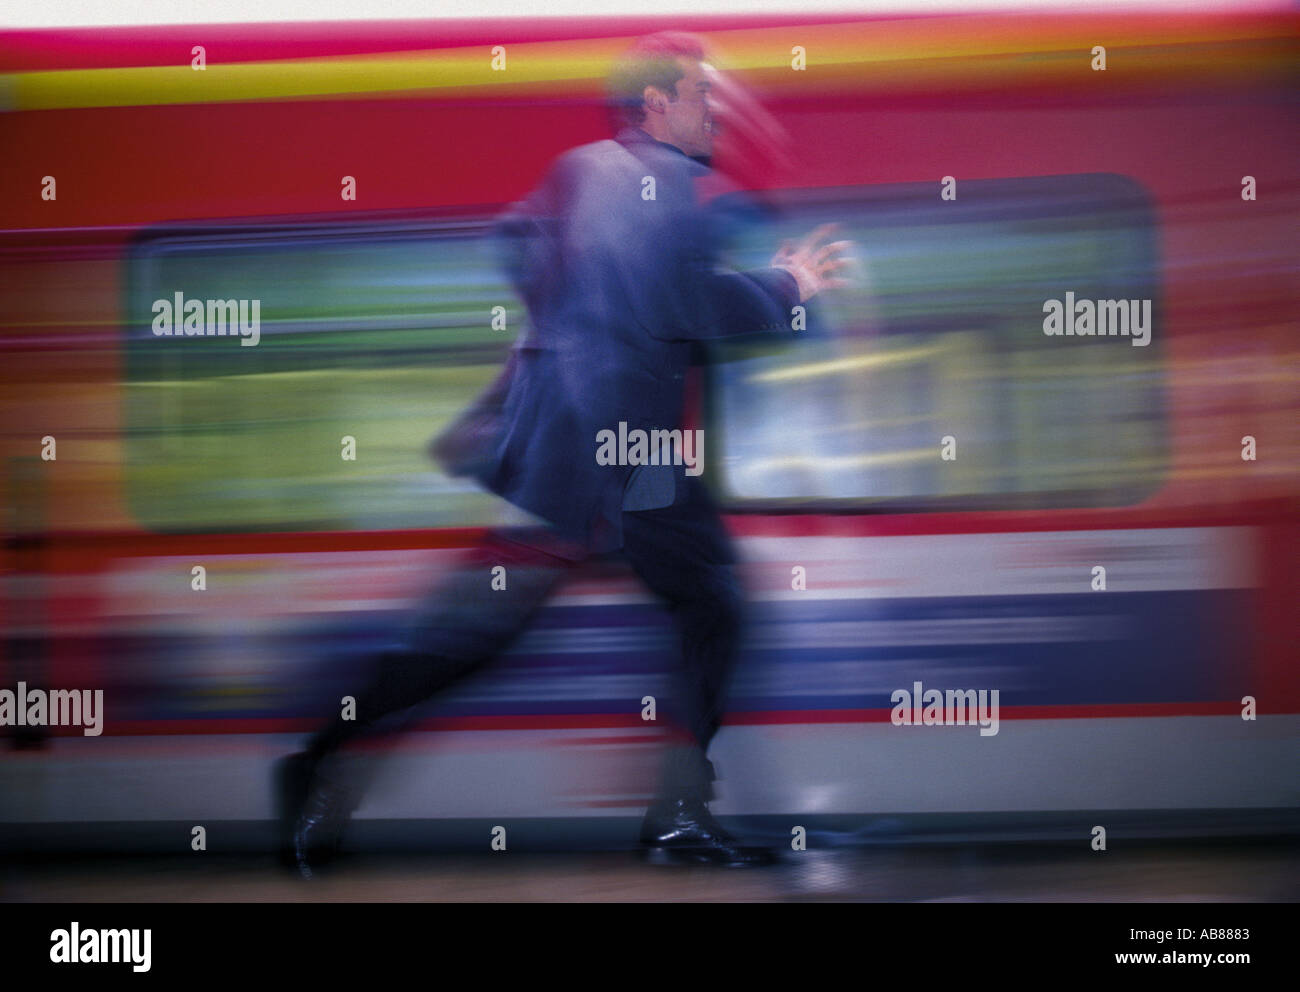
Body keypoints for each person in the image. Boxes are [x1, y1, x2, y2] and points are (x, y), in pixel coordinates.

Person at [276, 30, 853, 876]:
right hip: (613, 460)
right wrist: (788, 288)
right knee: (700, 608)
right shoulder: (658, 182)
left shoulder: (586, 172)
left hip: (589, 454)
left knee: (486, 633)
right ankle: (674, 819)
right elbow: (679, 299)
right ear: (655, 104)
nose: (714, 109)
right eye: (700, 94)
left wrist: (575, 325)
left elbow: (526, 250)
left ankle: (325, 762)